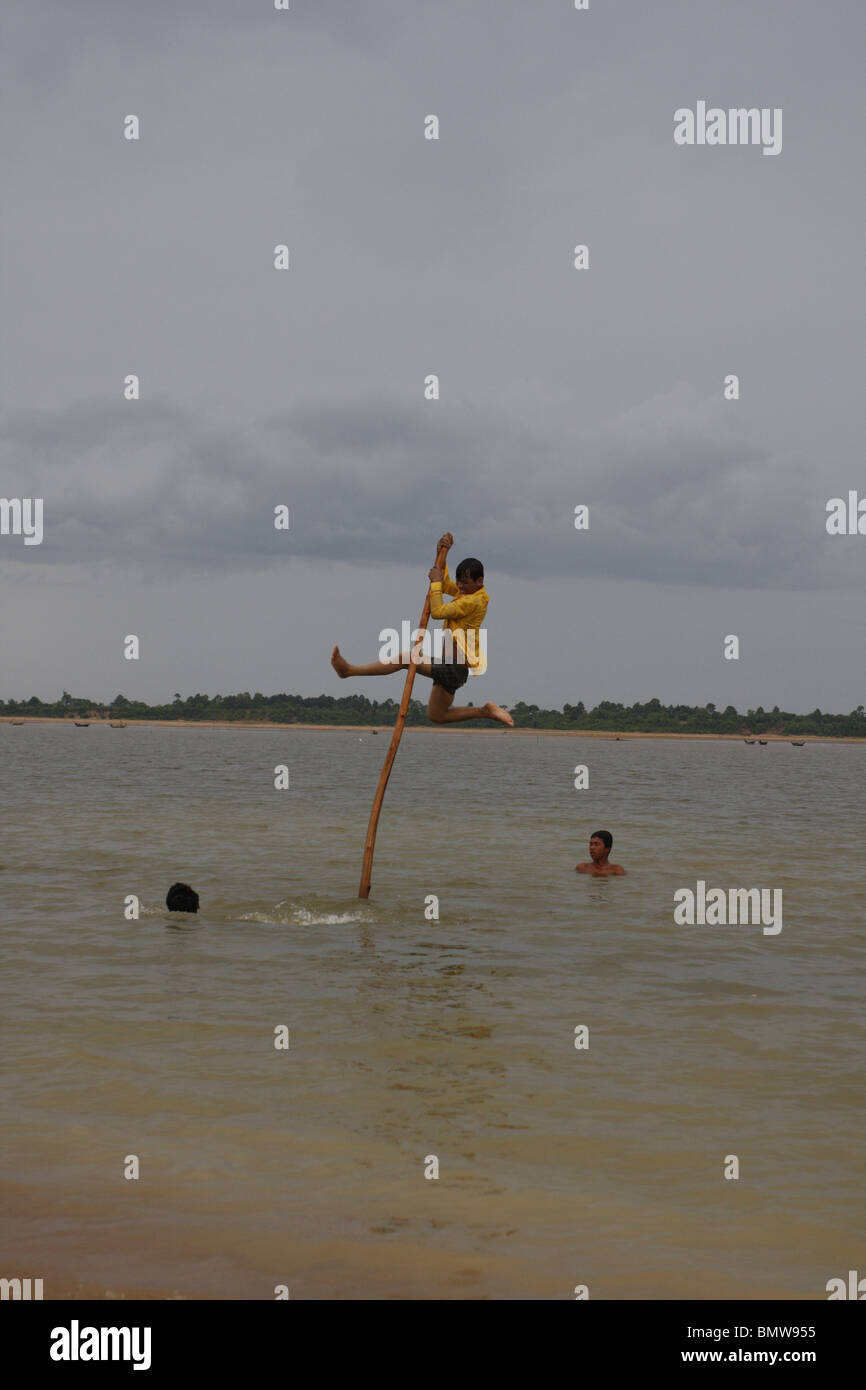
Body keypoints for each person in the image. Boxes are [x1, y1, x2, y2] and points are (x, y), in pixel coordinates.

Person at [331, 533, 513, 727]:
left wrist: (435, 582)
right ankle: (484, 711)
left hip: (454, 666)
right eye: (459, 581)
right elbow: (446, 584)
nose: (460, 586)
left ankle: (349, 670)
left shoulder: (473, 601)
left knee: (406, 659)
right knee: (437, 716)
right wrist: (441, 556)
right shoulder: (467, 591)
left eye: (464, 583)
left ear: (479, 581)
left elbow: (438, 611)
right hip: (450, 666)